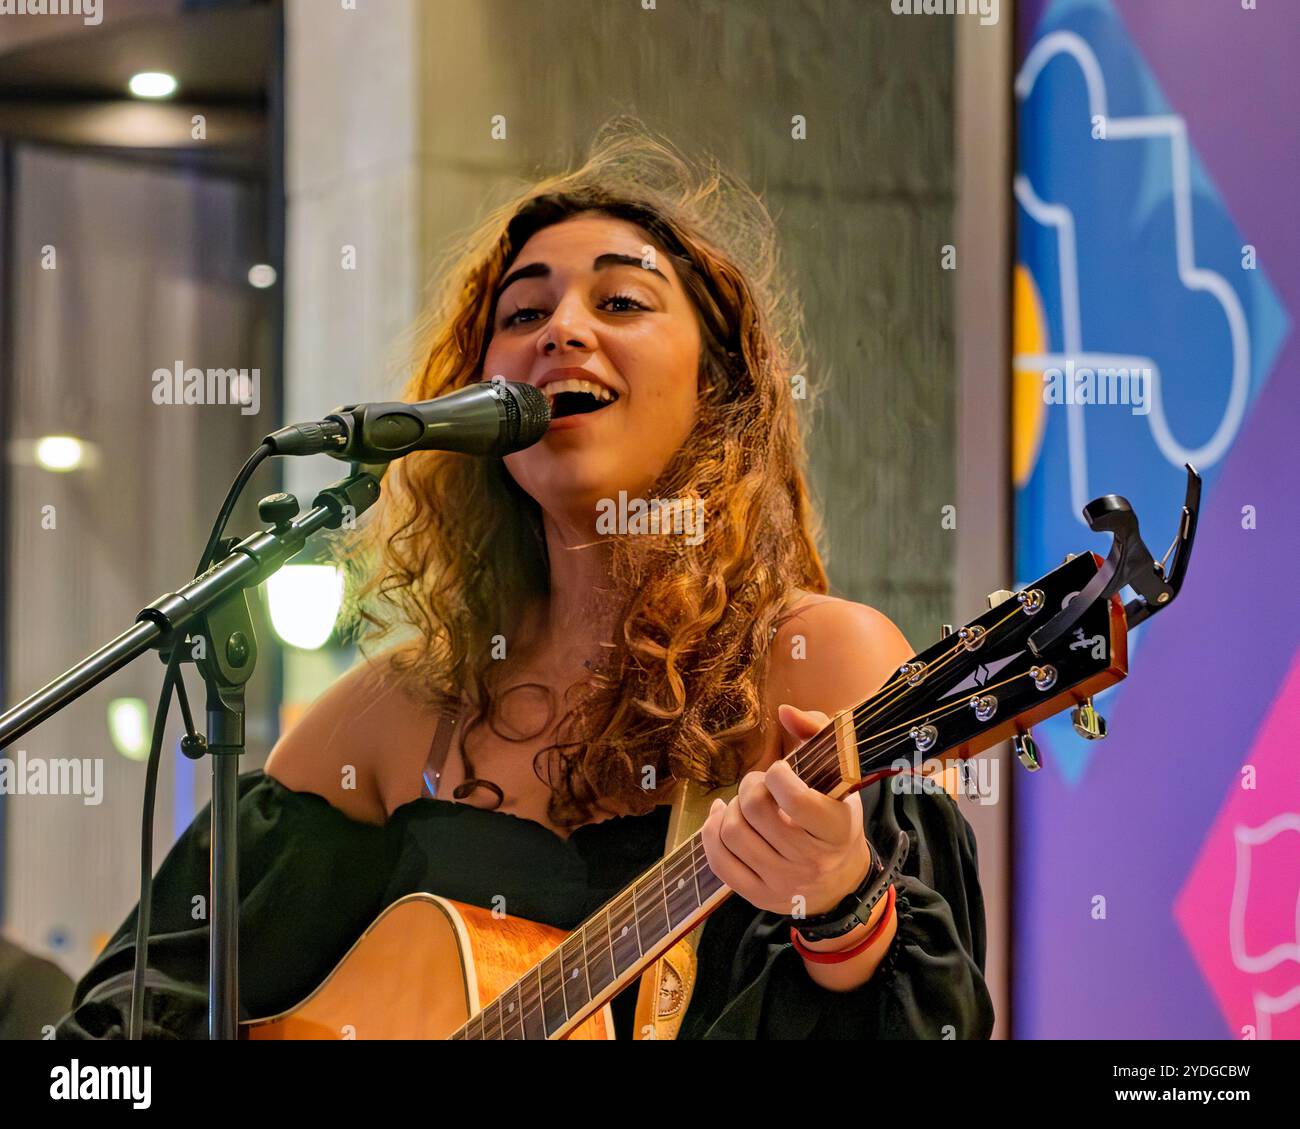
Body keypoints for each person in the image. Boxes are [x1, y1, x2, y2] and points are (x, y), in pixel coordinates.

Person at [56, 118, 993, 1040]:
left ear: (719, 387)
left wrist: (842, 908)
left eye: (621, 302)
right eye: (523, 314)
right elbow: (121, 1031)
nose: (563, 331)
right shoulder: (398, 712)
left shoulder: (815, 662)